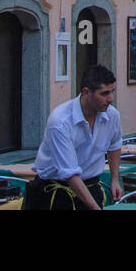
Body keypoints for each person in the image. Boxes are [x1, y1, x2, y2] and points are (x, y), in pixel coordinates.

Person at [25, 65, 122, 210]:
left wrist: (115, 179)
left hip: (90, 186)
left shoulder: (112, 115)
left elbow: (114, 145)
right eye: (104, 93)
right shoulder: (60, 121)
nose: (110, 99)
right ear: (86, 92)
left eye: (112, 92)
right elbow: (70, 174)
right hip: (54, 193)